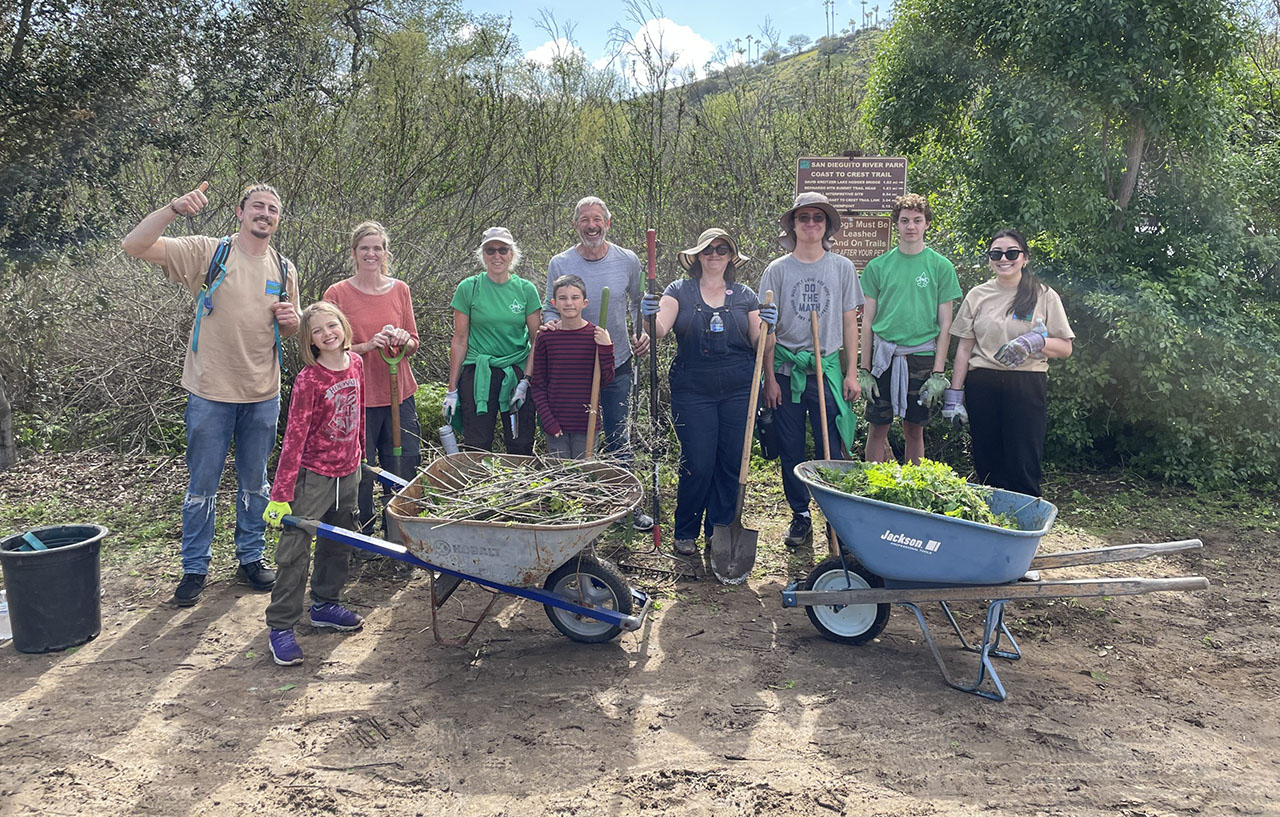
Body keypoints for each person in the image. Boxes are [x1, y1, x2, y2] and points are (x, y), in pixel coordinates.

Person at [121, 181, 300, 607]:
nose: (265, 214)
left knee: (255, 483)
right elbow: (134, 245)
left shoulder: (284, 267)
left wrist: (292, 321)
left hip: (263, 393)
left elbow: (290, 328)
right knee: (202, 485)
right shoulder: (209, 252)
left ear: (278, 219)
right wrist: (172, 208)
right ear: (240, 212)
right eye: (257, 206)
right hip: (211, 392)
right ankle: (194, 568)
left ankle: (250, 559)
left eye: (272, 209)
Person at [641, 228, 777, 556]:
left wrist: (771, 326)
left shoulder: (744, 295)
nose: (714, 254)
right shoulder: (680, 291)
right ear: (697, 256)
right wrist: (647, 315)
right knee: (698, 462)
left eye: (721, 249)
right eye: (708, 249)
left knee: (730, 461)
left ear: (731, 257)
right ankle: (685, 529)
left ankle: (719, 529)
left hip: (739, 389)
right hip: (693, 390)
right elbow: (659, 330)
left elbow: (761, 344)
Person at [261, 302, 366, 666]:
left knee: (339, 542)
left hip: (348, 471)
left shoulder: (356, 363)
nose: (327, 334)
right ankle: (281, 626)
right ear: (310, 341)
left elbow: (359, 411)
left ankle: (325, 603)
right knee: (295, 550)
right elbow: (294, 437)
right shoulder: (310, 379)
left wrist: (361, 454)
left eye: (332, 325)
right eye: (318, 331)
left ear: (343, 326)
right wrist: (281, 493)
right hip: (315, 476)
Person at [543, 196, 654, 531]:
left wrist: (644, 332)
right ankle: (580, 504)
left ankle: (628, 506)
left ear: (608, 222)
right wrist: (549, 327)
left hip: (616, 363)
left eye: (597, 219)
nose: (591, 225)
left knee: (620, 438)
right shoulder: (560, 263)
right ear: (575, 225)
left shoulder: (628, 260)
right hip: (573, 371)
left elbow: (638, 303)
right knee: (578, 439)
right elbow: (550, 309)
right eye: (584, 220)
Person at [761, 192, 864, 548]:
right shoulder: (777, 270)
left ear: (826, 226)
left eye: (817, 218)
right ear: (793, 224)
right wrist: (769, 379)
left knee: (830, 447)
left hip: (827, 368)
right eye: (803, 218)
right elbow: (766, 331)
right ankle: (800, 515)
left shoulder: (842, 268)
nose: (810, 224)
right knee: (790, 447)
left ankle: (836, 518)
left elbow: (850, 322)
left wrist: (852, 373)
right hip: (788, 370)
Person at [945, 229, 1074, 497]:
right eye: (996, 253)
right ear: (990, 259)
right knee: (987, 459)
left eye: (1012, 253)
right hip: (982, 383)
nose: (1004, 259)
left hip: (1026, 383)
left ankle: (1023, 527)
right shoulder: (978, 295)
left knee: (1023, 459)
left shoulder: (1043, 295)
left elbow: (1065, 347)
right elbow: (965, 347)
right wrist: (954, 395)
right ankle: (992, 524)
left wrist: (1035, 342)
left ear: (1024, 258)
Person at [324, 221, 420, 538]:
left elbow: (413, 343)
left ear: (385, 253)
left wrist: (403, 341)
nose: (371, 253)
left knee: (403, 463)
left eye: (377, 247)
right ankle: (362, 535)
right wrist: (366, 346)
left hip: (398, 394)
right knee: (360, 471)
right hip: (357, 398)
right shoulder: (337, 293)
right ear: (353, 253)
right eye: (364, 247)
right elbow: (326, 347)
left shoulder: (400, 289)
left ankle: (398, 533)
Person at [857, 193, 963, 464]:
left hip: (922, 356)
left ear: (927, 223)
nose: (911, 226)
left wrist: (939, 372)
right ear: (896, 225)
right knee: (878, 426)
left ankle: (914, 486)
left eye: (917, 220)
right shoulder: (878, 267)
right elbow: (867, 322)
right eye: (904, 220)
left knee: (914, 428)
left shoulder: (941, 267)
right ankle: (873, 487)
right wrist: (864, 369)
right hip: (884, 356)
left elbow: (945, 323)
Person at [444, 227, 541, 453]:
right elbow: (460, 339)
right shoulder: (469, 288)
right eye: (490, 250)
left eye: (503, 250)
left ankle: (519, 485)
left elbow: (537, 340)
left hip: (516, 370)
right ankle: (478, 486)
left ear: (512, 254)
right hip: (479, 372)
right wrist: (452, 390)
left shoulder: (526, 290)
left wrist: (526, 381)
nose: (497, 256)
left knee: (520, 440)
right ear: (483, 254)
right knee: (477, 441)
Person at [531, 274, 615, 459]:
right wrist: (547, 420)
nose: (569, 303)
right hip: (556, 424)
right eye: (563, 298)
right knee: (559, 478)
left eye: (575, 298)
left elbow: (606, 379)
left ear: (584, 303)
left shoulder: (596, 336)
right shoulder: (546, 337)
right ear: (554, 303)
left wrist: (606, 347)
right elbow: (537, 385)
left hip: (587, 424)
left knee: (583, 477)